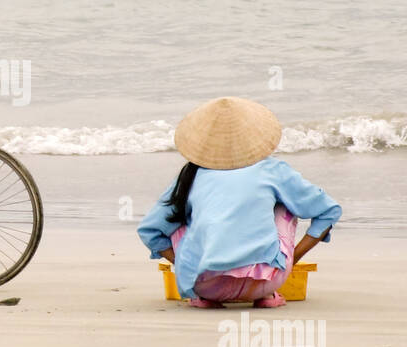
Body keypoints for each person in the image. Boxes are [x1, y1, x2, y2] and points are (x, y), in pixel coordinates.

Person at [137, 96, 341, 309]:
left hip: (204, 285)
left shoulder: (191, 175)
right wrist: (289, 264)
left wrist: (185, 269)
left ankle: (205, 295)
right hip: (266, 281)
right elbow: (328, 211)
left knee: (179, 214)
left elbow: (150, 230)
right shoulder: (273, 170)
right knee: (284, 204)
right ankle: (265, 293)